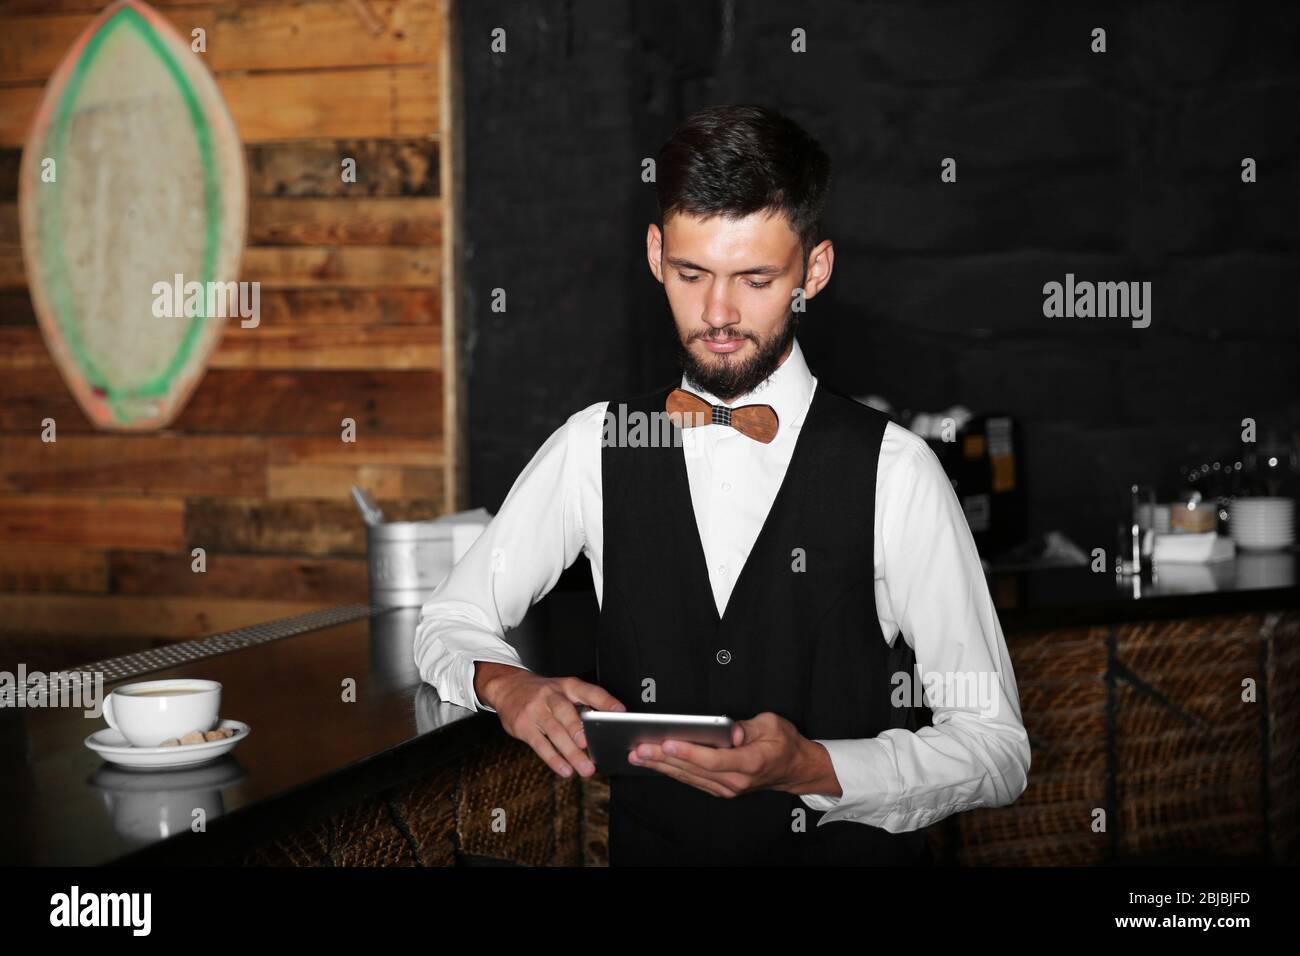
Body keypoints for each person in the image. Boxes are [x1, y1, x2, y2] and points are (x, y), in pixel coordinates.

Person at [414, 103, 1030, 866]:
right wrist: (506, 686)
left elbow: (997, 749)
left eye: (756, 279)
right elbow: (446, 621)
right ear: (654, 253)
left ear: (815, 270)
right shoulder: (591, 446)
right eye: (691, 272)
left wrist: (817, 767)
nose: (717, 315)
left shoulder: (898, 471)